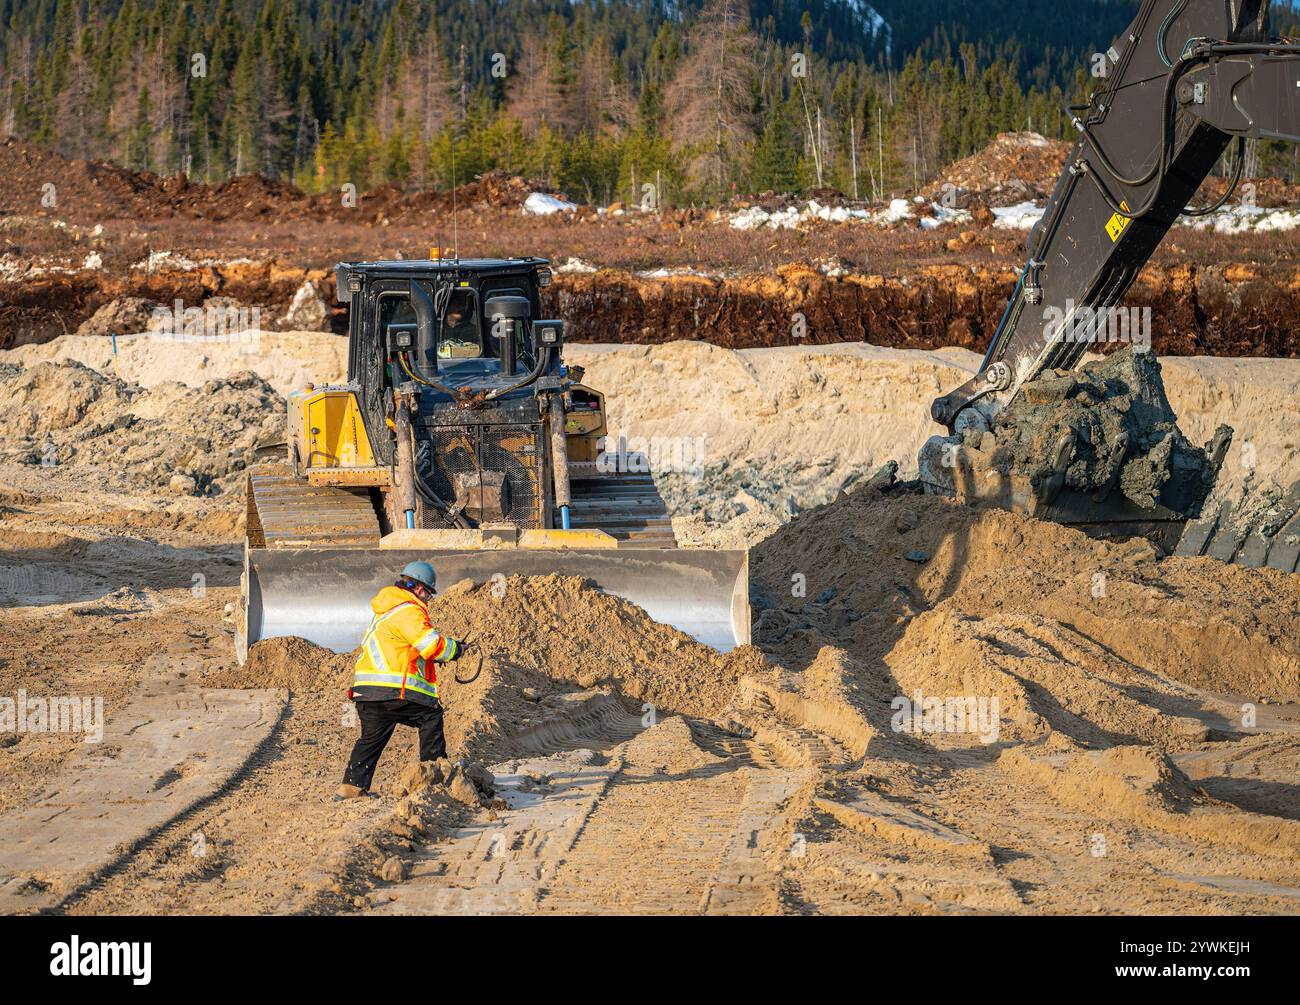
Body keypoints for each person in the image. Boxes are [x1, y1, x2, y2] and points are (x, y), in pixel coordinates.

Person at [336, 561, 467, 800]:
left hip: (368, 692)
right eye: (428, 593)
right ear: (418, 588)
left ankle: (351, 788)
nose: (428, 598)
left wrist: (432, 657)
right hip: (396, 691)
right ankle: (433, 776)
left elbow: (401, 649)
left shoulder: (385, 611)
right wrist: (456, 649)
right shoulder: (409, 610)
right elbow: (432, 645)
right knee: (431, 717)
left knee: (371, 739)